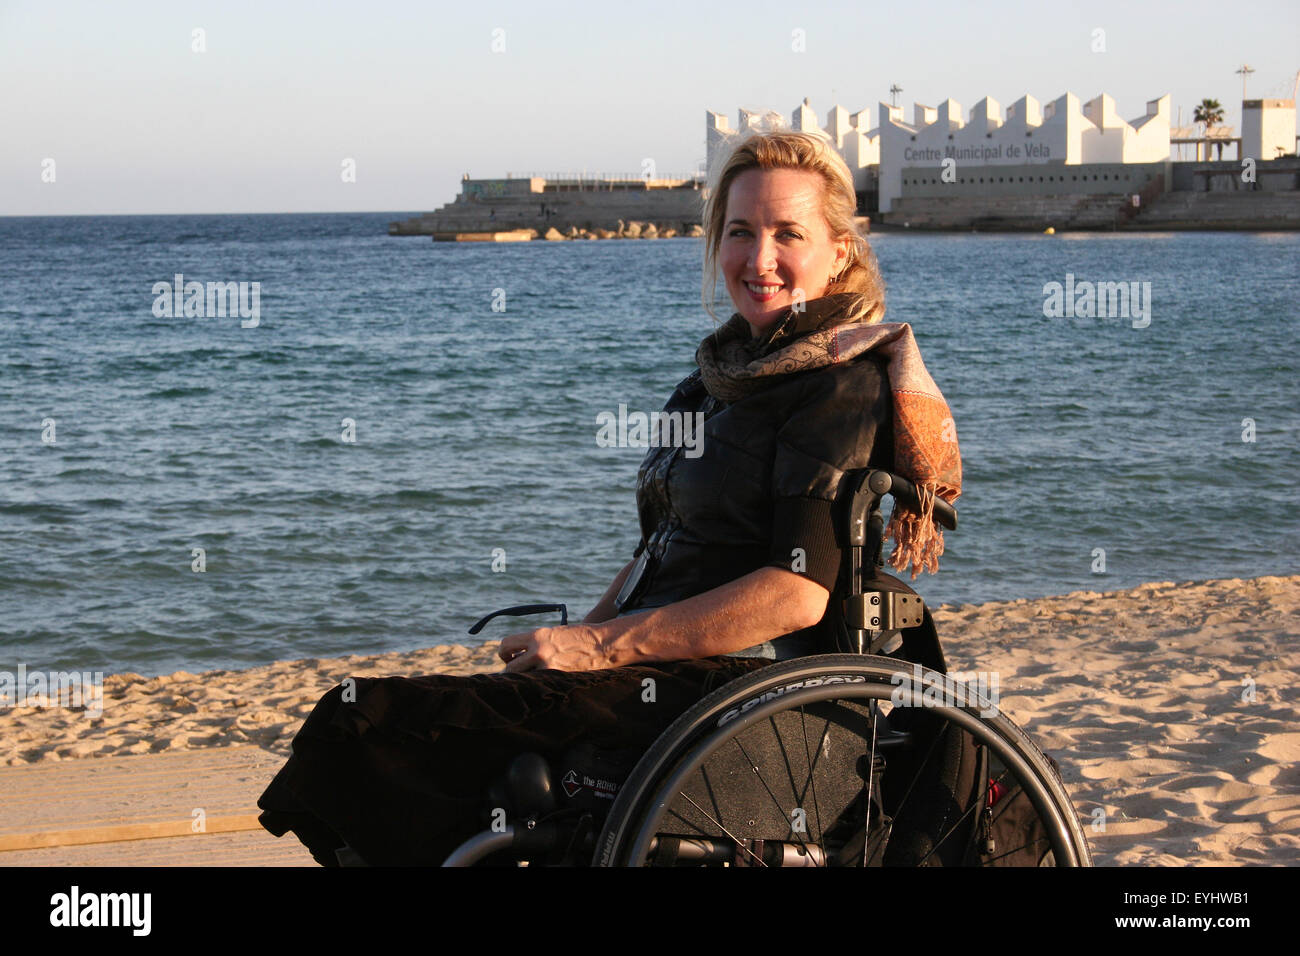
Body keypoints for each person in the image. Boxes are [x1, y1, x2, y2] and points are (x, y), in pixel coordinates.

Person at [256, 129, 962, 866]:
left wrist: (597, 647)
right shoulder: (715, 381)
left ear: (839, 250)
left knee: (363, 726)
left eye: (789, 234)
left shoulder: (836, 385)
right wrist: (572, 644)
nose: (759, 259)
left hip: (740, 693)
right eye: (740, 232)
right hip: (654, 671)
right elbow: (661, 549)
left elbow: (796, 594)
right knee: (370, 734)